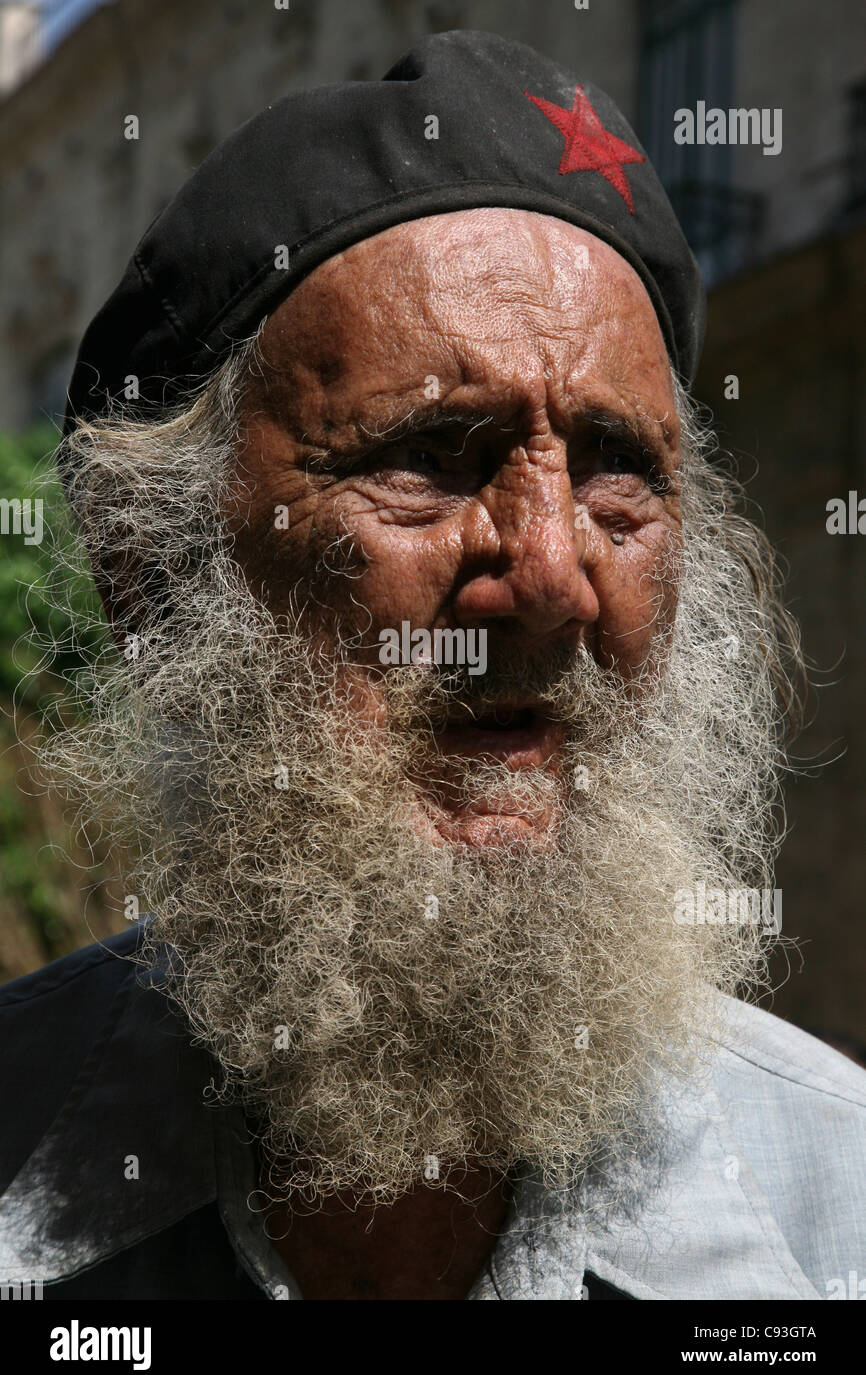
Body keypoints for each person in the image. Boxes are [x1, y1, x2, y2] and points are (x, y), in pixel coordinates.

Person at [1, 29, 864, 1301]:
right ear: (151, 573)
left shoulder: (835, 1212)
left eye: (616, 471)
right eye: (428, 457)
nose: (553, 579)